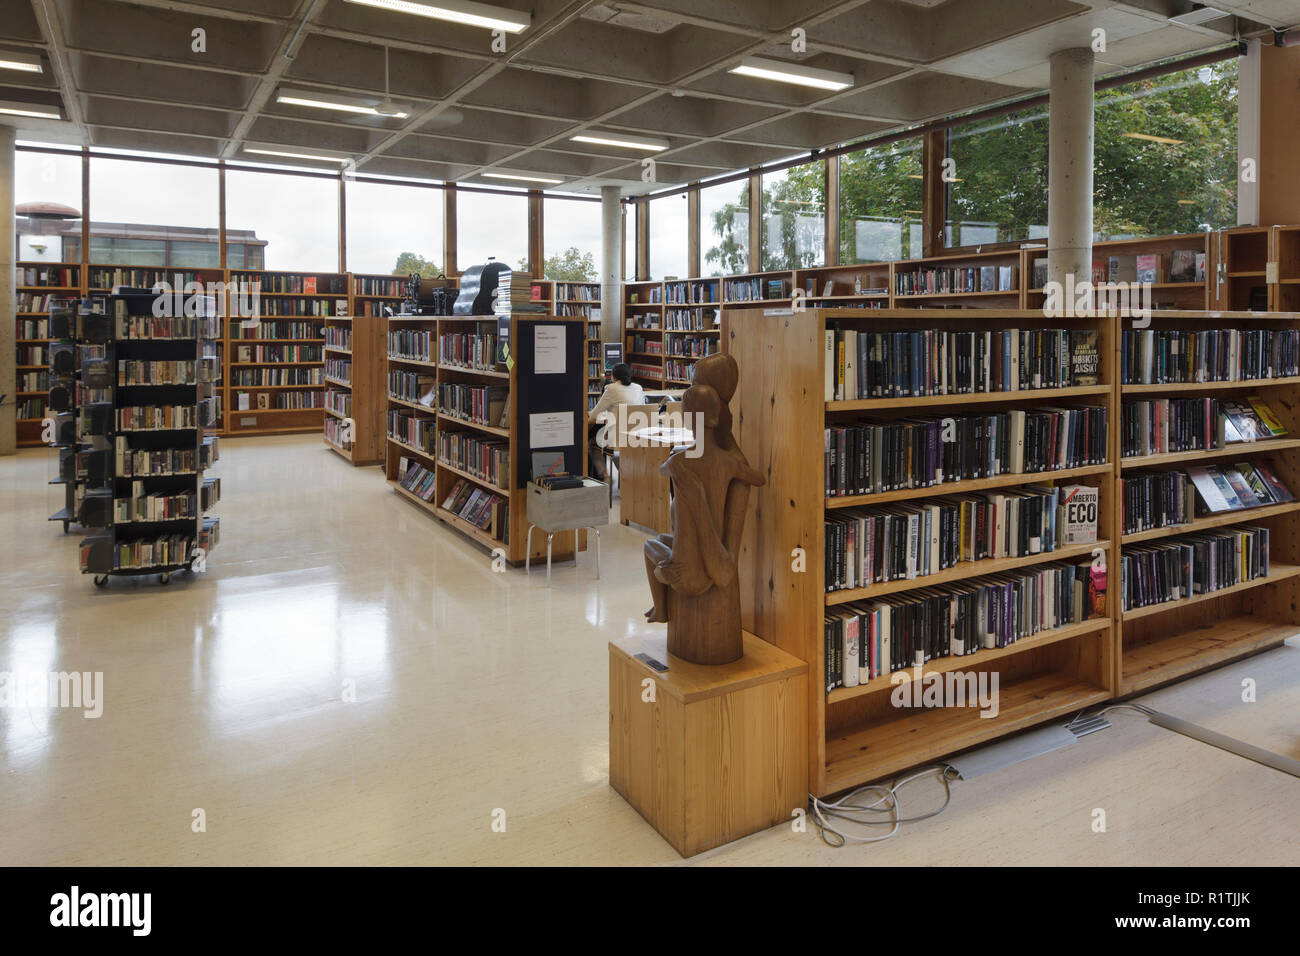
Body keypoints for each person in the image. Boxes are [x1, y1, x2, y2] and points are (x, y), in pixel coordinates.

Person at [587, 363, 644, 481]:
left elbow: (593, 415)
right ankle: (628, 475)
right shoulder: (638, 388)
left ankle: (604, 475)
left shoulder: (611, 389)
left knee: (592, 443)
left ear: (613, 377)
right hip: (637, 438)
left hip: (618, 439)